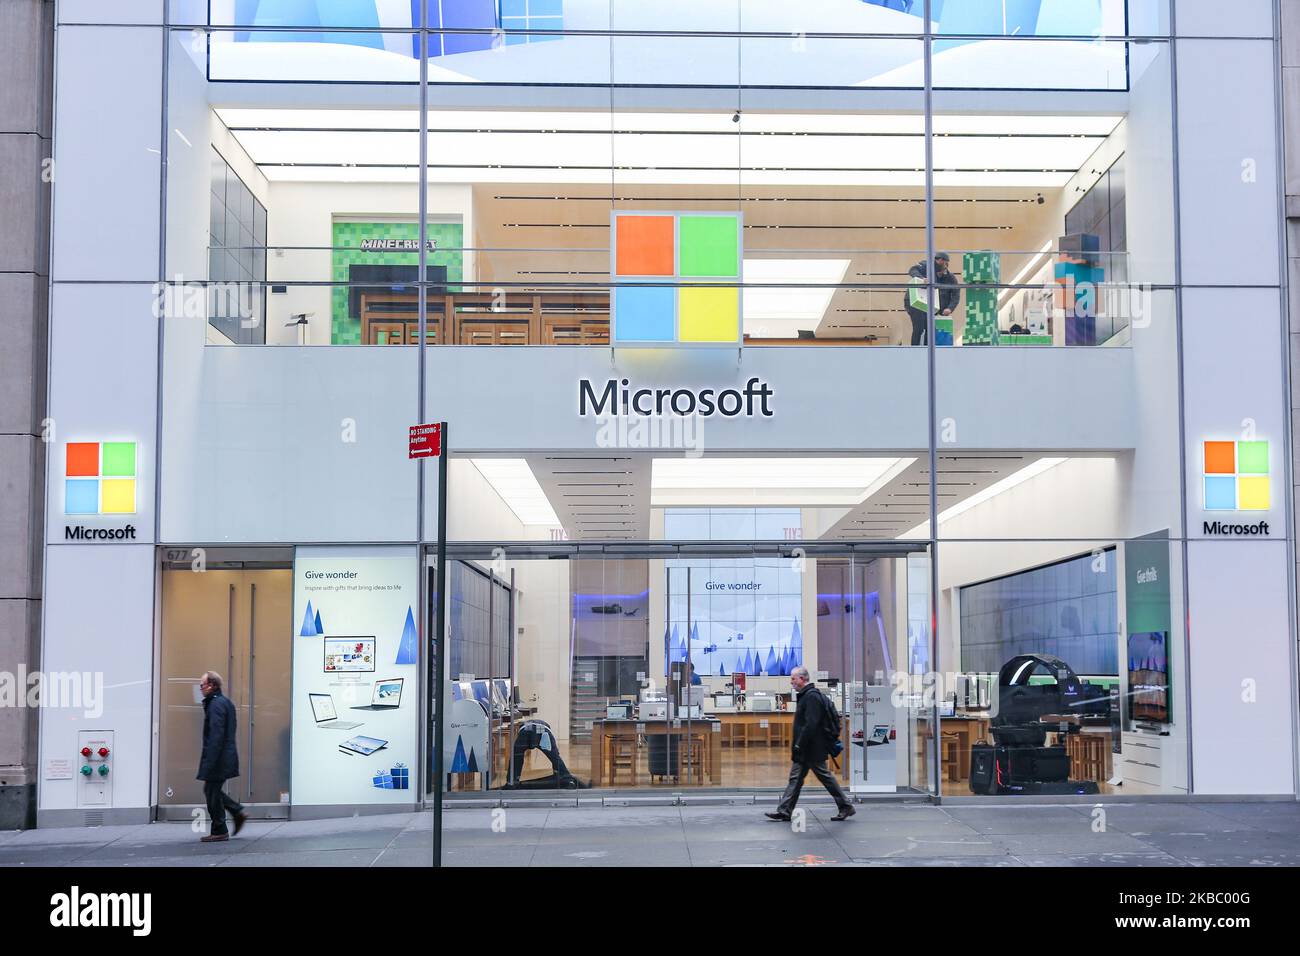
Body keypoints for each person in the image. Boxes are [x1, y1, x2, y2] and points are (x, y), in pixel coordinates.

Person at [765, 666, 855, 822]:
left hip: (811, 748)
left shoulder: (811, 697)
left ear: (802, 679)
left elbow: (811, 724)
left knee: (824, 777)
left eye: (793, 678)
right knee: (796, 778)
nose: (791, 681)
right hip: (808, 747)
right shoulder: (807, 695)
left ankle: (846, 806)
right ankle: (785, 810)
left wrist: (799, 744)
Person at [196, 671, 247, 842]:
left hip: (218, 758)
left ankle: (221, 829)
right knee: (212, 791)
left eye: (202, 685)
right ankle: (234, 813)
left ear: (212, 685)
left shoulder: (216, 705)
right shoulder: (223, 703)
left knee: (211, 791)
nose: (200, 688)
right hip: (223, 756)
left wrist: (209, 762)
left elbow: (216, 736)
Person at [903, 252, 960, 346]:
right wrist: (922, 279)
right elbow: (913, 270)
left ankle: (927, 349)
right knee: (919, 327)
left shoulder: (950, 278)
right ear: (940, 260)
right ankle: (915, 350)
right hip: (915, 302)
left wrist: (950, 308)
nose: (942, 272)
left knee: (930, 329)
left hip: (928, 306)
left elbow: (955, 295)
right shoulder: (926, 266)